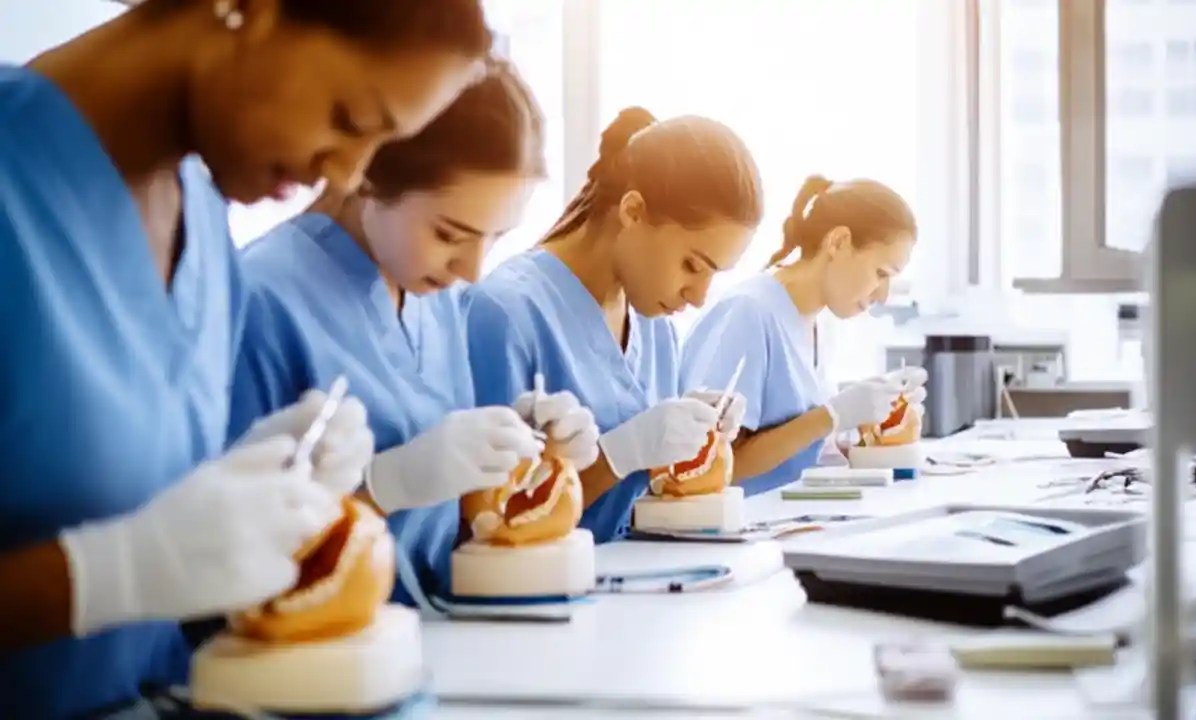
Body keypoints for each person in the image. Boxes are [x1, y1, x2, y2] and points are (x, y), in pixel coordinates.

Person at [0, 0, 492, 716]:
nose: (349, 176)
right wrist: (106, 575)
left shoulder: (200, 218)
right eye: (350, 119)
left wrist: (250, 499)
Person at [228, 59, 598, 601]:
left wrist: (515, 454)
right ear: (366, 173)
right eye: (450, 234)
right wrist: (383, 485)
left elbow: (452, 525)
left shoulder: (437, 298)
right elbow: (228, 556)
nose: (471, 271)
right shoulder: (263, 299)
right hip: (309, 667)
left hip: (432, 639)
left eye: (494, 239)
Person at [465, 107, 763, 543]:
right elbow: (490, 525)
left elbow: (641, 498)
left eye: (714, 276)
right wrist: (618, 454)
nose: (698, 296)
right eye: (691, 265)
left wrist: (687, 441)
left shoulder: (654, 321)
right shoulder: (506, 313)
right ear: (633, 210)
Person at [679, 176, 928, 496]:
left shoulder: (819, 323)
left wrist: (871, 430)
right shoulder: (748, 312)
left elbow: (797, 453)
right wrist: (831, 416)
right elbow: (710, 468)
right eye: (881, 274)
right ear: (838, 242)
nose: (883, 295)